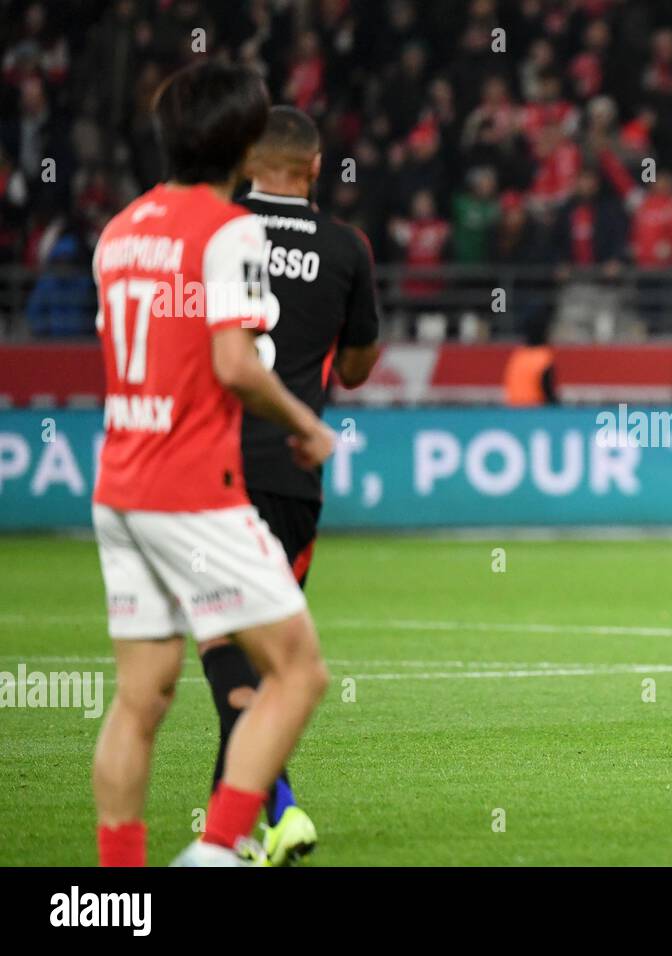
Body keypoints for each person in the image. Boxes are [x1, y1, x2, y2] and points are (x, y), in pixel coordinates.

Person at [90, 61, 335, 867]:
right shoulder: (228, 230)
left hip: (120, 485)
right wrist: (305, 424)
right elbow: (234, 361)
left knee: (142, 696)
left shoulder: (120, 230)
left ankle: (117, 889)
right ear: (238, 139)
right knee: (297, 672)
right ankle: (217, 849)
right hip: (192, 491)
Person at [192, 106, 380, 866]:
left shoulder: (212, 230)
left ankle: (273, 813)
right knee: (268, 651)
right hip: (295, 477)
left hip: (211, 464)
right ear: (313, 167)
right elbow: (361, 364)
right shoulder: (346, 246)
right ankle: (234, 823)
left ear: (245, 161)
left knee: (229, 648)